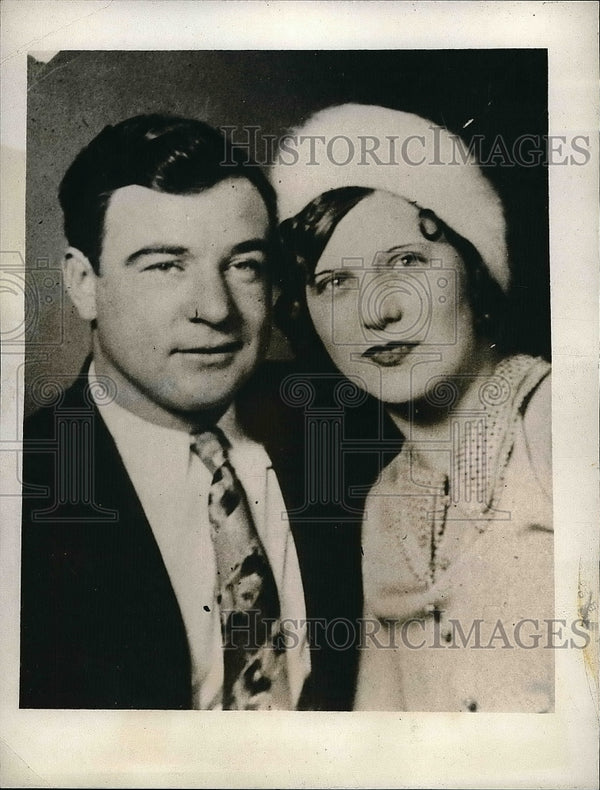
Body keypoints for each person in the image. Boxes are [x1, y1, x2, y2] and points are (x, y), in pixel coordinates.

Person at [20, 114, 380, 710]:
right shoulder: (24, 488)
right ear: (84, 283)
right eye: (166, 265)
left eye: (244, 265)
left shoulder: (349, 424)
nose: (215, 309)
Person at [272, 104, 554, 712]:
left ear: (476, 271)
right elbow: (378, 732)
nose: (378, 311)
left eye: (407, 262)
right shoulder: (387, 505)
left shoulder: (554, 422)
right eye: (334, 282)